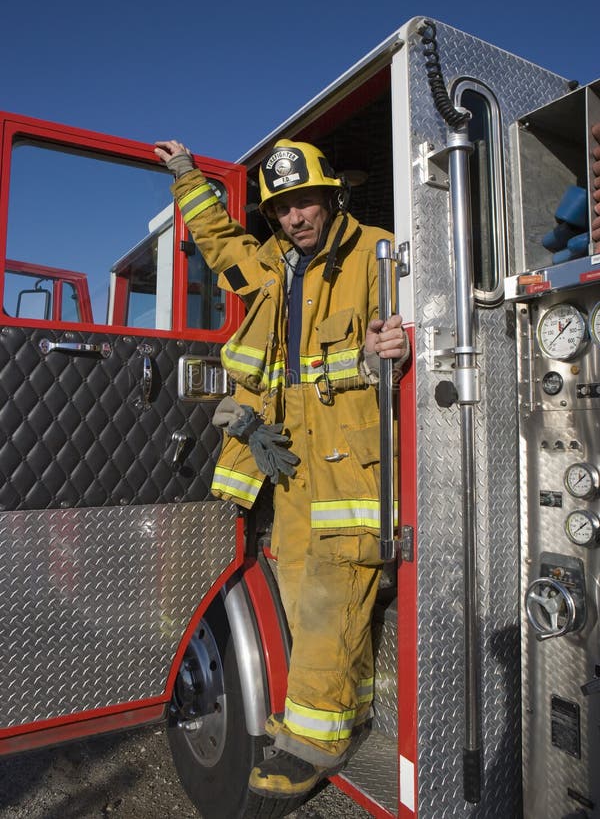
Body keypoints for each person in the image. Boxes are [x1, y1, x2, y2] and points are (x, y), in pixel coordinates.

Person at [155, 137, 409, 798]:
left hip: (349, 463)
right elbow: (216, 240)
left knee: (331, 596)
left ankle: (309, 748)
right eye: (283, 209)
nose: (296, 218)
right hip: (289, 460)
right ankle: (341, 716)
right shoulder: (270, 264)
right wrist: (186, 175)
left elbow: (415, 324)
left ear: (332, 197)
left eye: (305, 202)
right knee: (302, 596)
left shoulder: (378, 251)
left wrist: (400, 340)